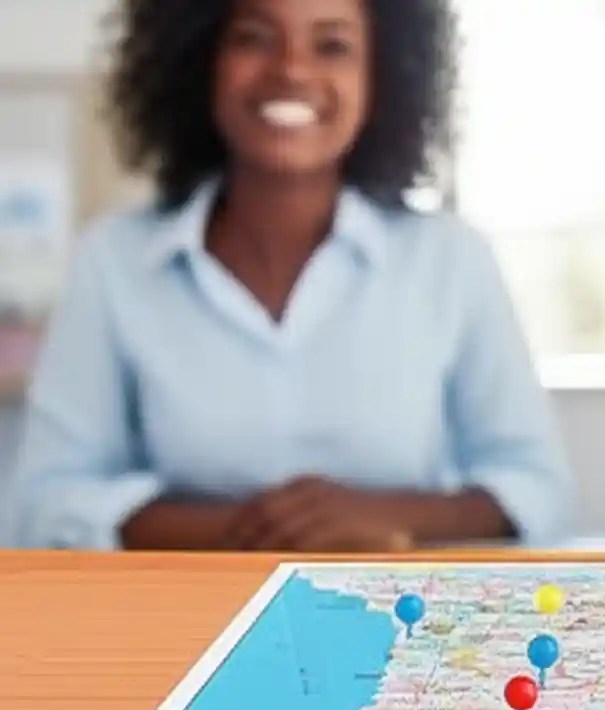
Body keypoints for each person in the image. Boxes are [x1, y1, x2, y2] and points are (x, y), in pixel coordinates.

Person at [10, 0, 574, 551]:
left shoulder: (451, 260)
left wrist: (382, 519)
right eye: (254, 38)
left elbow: (538, 491)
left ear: (380, 75)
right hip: (185, 612)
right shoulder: (114, 260)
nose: (292, 70)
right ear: (202, 59)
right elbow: (46, 505)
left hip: (400, 609)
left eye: (332, 46)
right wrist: (246, 533)